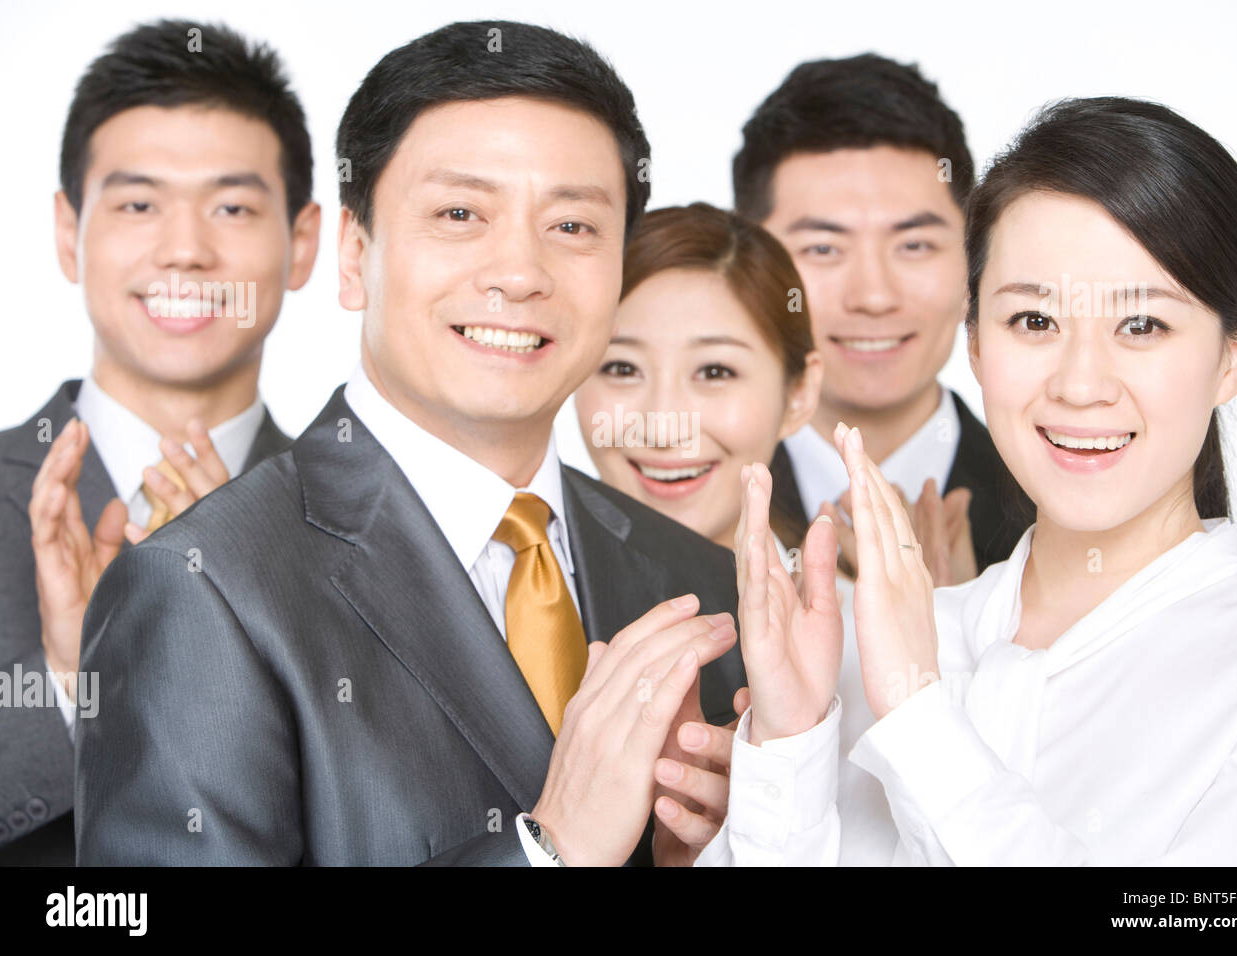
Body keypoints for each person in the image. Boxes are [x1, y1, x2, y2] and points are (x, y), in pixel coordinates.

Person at [75, 20, 746, 867]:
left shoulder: (698, 582)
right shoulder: (203, 590)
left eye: (572, 226)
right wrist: (553, 850)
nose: (518, 272)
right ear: (354, 256)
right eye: (460, 213)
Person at [699, 96, 1237, 865]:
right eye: (1035, 322)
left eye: (1142, 325)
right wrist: (787, 743)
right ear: (974, 339)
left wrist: (919, 714)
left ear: (1236, 352)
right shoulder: (869, 646)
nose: (1082, 386)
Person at [0, 19, 320, 866]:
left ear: (305, 242)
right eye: (139, 204)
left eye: (233, 207)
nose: (185, 250)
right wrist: (73, 680)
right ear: (69, 232)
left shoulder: (371, 513)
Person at [573, 202, 820, 855]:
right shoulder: (523, 603)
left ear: (799, 393)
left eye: (715, 372)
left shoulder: (863, 640)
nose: (664, 423)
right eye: (621, 368)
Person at [734, 53, 1033, 579]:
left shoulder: (1056, 507)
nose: (873, 296)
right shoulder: (686, 497)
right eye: (823, 249)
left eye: (914, 244)